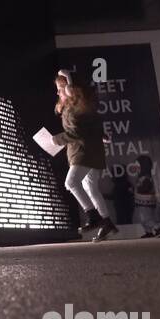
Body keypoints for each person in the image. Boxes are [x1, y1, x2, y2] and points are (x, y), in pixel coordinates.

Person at [52, 69, 117, 242]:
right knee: (91, 187)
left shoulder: (74, 108)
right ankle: (107, 223)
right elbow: (91, 125)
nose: (58, 92)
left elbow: (77, 133)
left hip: (84, 152)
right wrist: (101, 134)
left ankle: (93, 216)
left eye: (60, 88)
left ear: (69, 89)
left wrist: (56, 140)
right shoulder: (82, 105)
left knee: (71, 182)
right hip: (91, 151)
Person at [134, 155, 160, 238]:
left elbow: (145, 188)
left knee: (146, 219)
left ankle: (158, 229)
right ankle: (149, 232)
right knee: (143, 219)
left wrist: (139, 188)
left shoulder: (145, 178)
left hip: (146, 202)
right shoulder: (142, 178)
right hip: (142, 202)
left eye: (138, 166)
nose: (136, 168)